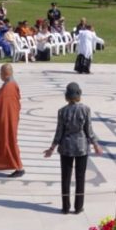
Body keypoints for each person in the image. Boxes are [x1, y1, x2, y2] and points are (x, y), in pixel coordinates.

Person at [44, 82, 103, 214]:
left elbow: (59, 132)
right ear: (79, 94)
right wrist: (96, 145)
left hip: (66, 147)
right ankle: (78, 207)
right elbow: (89, 131)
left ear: (67, 95)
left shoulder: (62, 111)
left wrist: (51, 148)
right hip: (81, 147)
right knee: (80, 177)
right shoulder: (86, 109)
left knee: (65, 177)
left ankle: (65, 207)